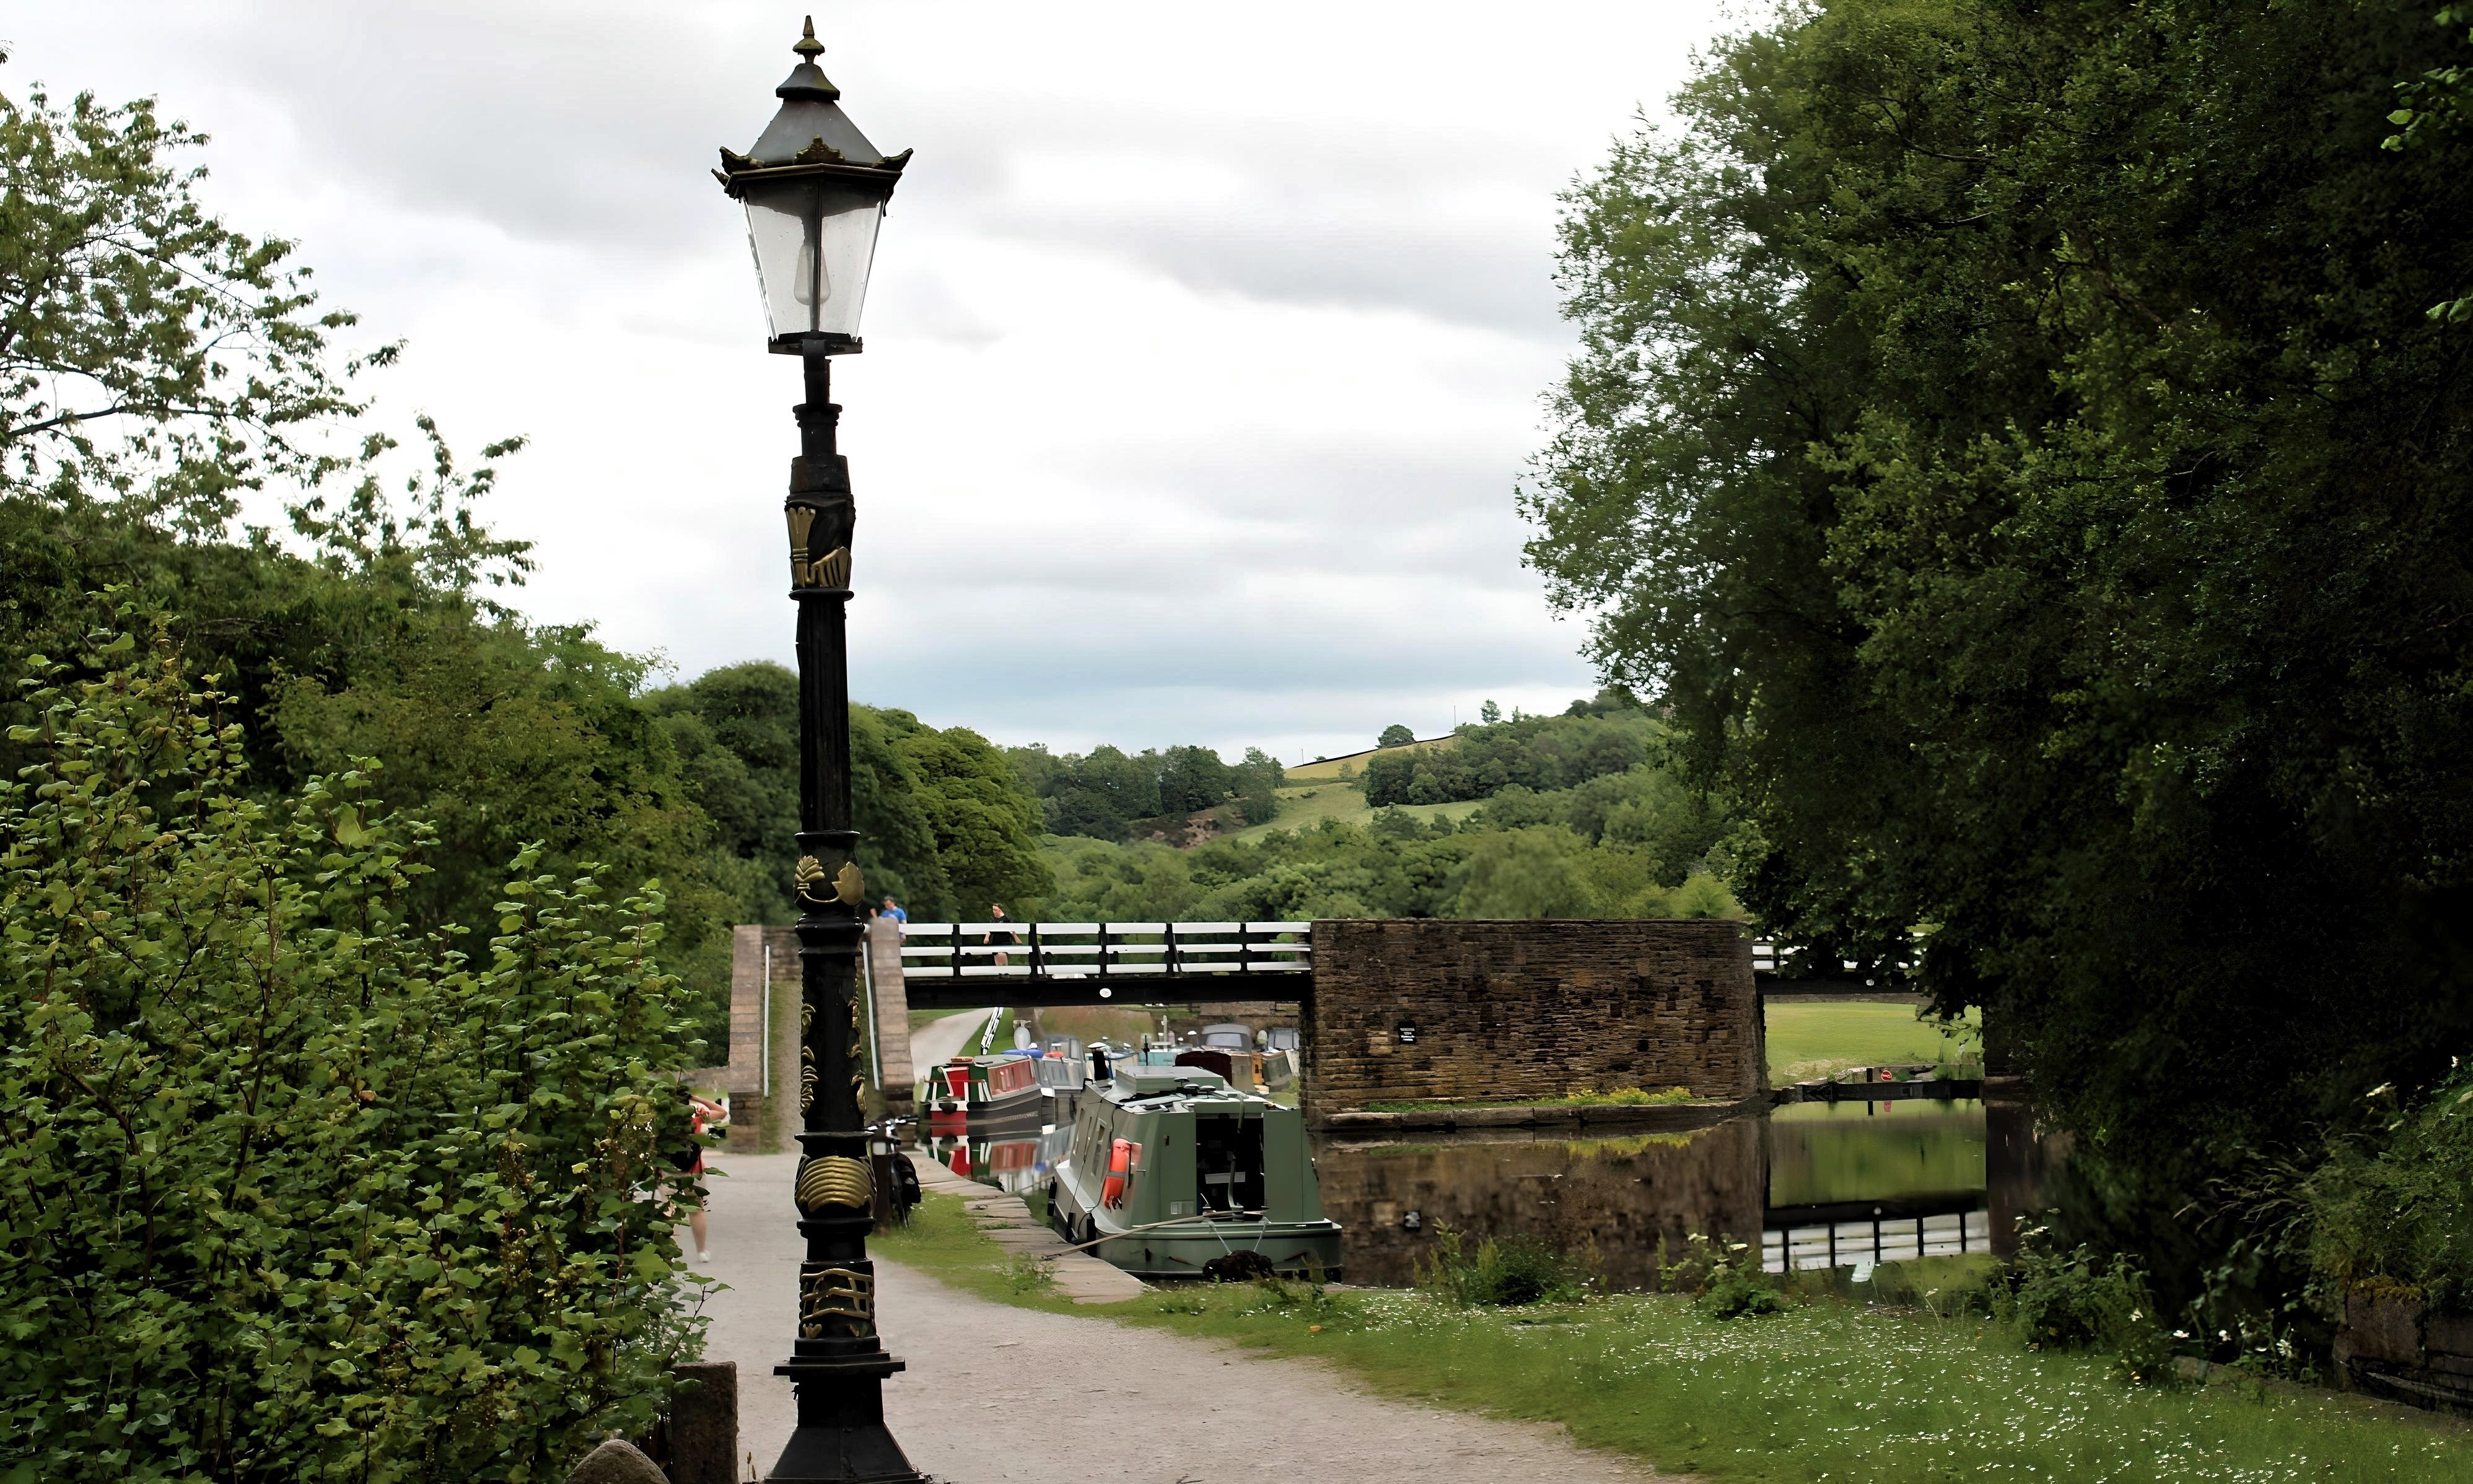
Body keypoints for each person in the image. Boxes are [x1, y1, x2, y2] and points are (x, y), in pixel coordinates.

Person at [661, 1084, 723, 1262]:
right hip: (695, 1170)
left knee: (669, 1211)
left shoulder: (662, 1121)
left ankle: (672, 1254)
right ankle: (702, 1251)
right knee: (696, 1210)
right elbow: (721, 1113)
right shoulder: (697, 1118)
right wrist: (696, 1099)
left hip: (668, 1170)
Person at [984, 902, 1019, 968]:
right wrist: (987, 937)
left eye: (995, 910)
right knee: (996, 956)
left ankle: (1006, 973)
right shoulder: (993, 920)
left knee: (1002, 954)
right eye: (993, 910)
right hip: (995, 942)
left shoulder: (1006, 920)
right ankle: (1000, 973)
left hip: (1004, 941)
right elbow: (989, 930)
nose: (994, 912)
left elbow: (1011, 931)